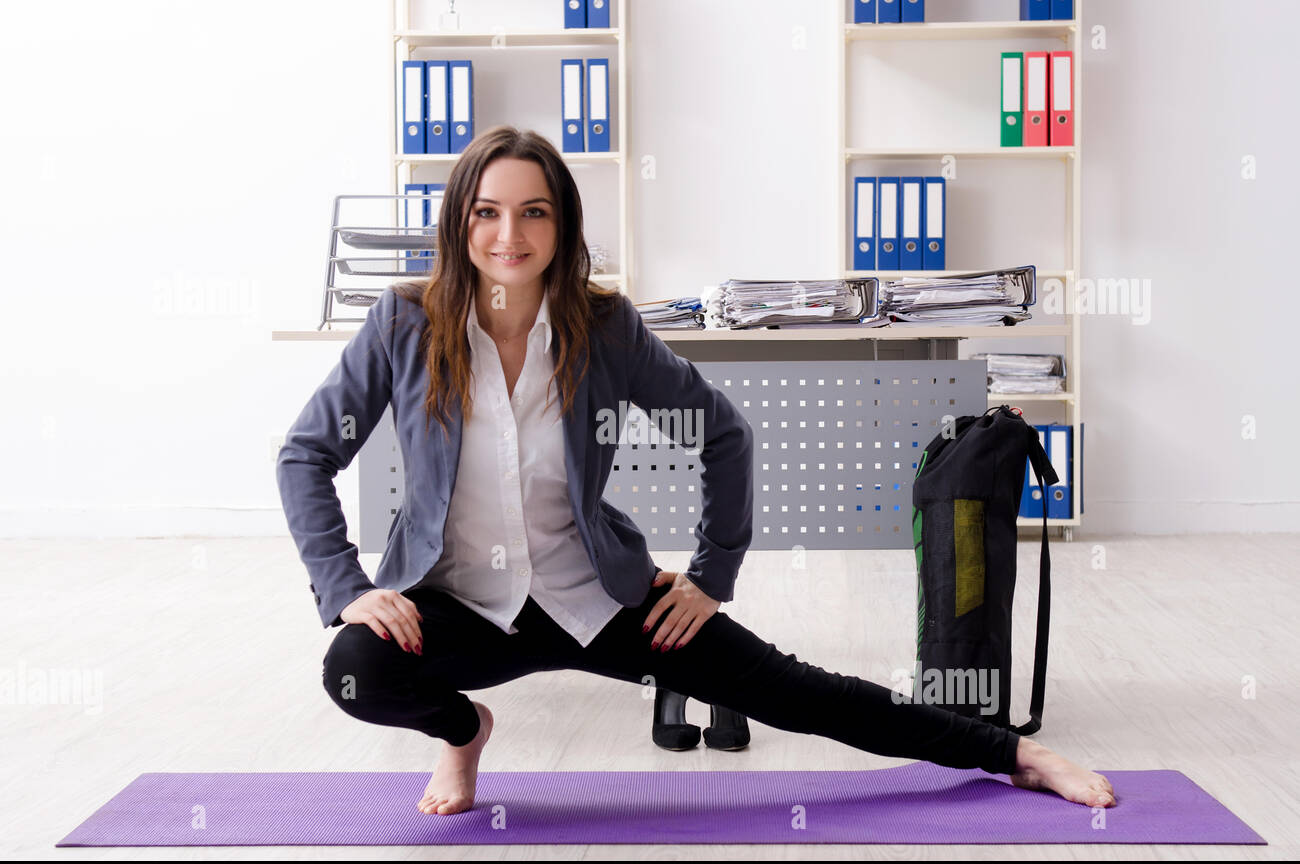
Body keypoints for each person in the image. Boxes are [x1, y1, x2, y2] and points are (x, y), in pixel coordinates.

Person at [277, 126, 1116, 817]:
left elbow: (723, 434)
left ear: (562, 226)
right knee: (355, 669)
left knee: (799, 693)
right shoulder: (403, 324)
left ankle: (1014, 754)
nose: (510, 236)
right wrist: (346, 581)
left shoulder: (601, 327)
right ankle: (463, 733)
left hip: (595, 597)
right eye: (488, 212)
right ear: (460, 221)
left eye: (533, 212)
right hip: (456, 604)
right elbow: (306, 454)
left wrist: (712, 573)